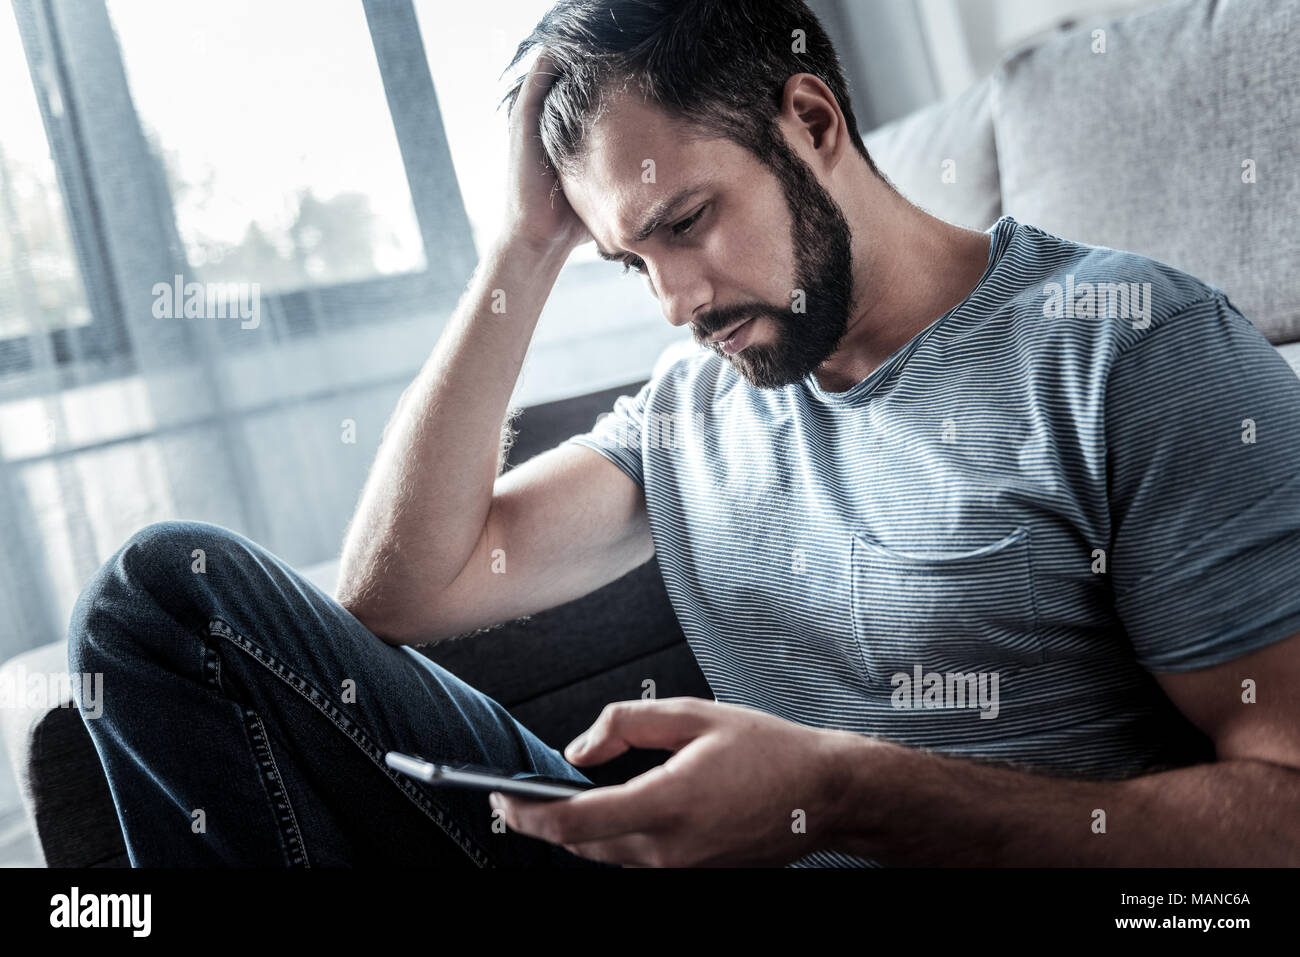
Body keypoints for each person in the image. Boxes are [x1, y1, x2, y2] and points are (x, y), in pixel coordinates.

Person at [70, 0, 1300, 868]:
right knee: (161, 597)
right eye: (627, 258)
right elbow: (397, 593)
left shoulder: (1128, 350)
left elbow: (1281, 815)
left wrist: (842, 797)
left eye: (689, 220)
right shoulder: (687, 410)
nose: (676, 301)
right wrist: (522, 251)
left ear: (812, 120)